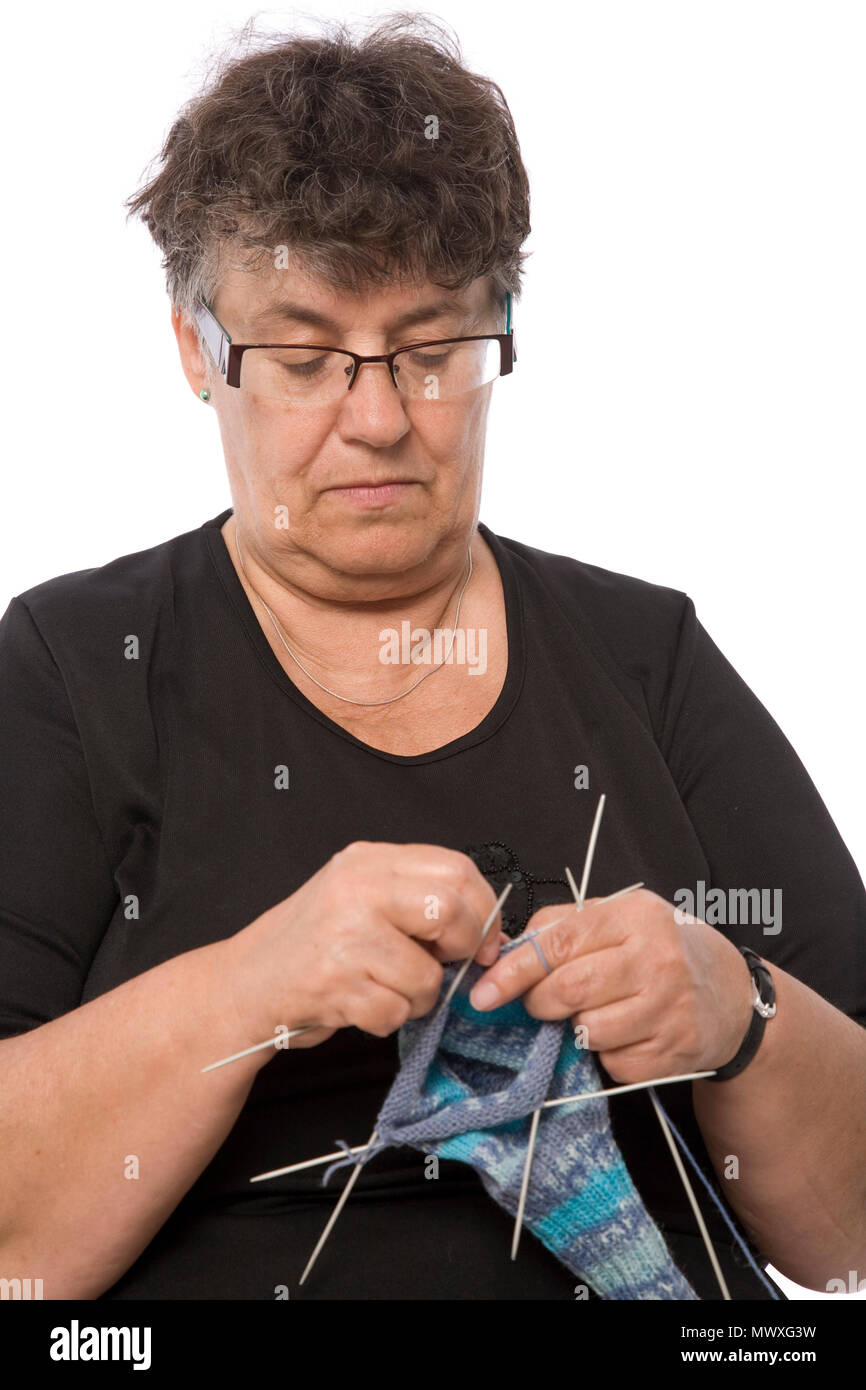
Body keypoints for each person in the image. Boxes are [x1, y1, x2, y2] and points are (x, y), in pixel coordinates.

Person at [1, 15, 864, 1302]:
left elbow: (844, 1232)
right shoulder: (77, 669)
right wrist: (255, 984)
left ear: (502, 333)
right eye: (303, 358)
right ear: (195, 348)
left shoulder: (647, 660)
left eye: (432, 350)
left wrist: (735, 1012)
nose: (379, 419)